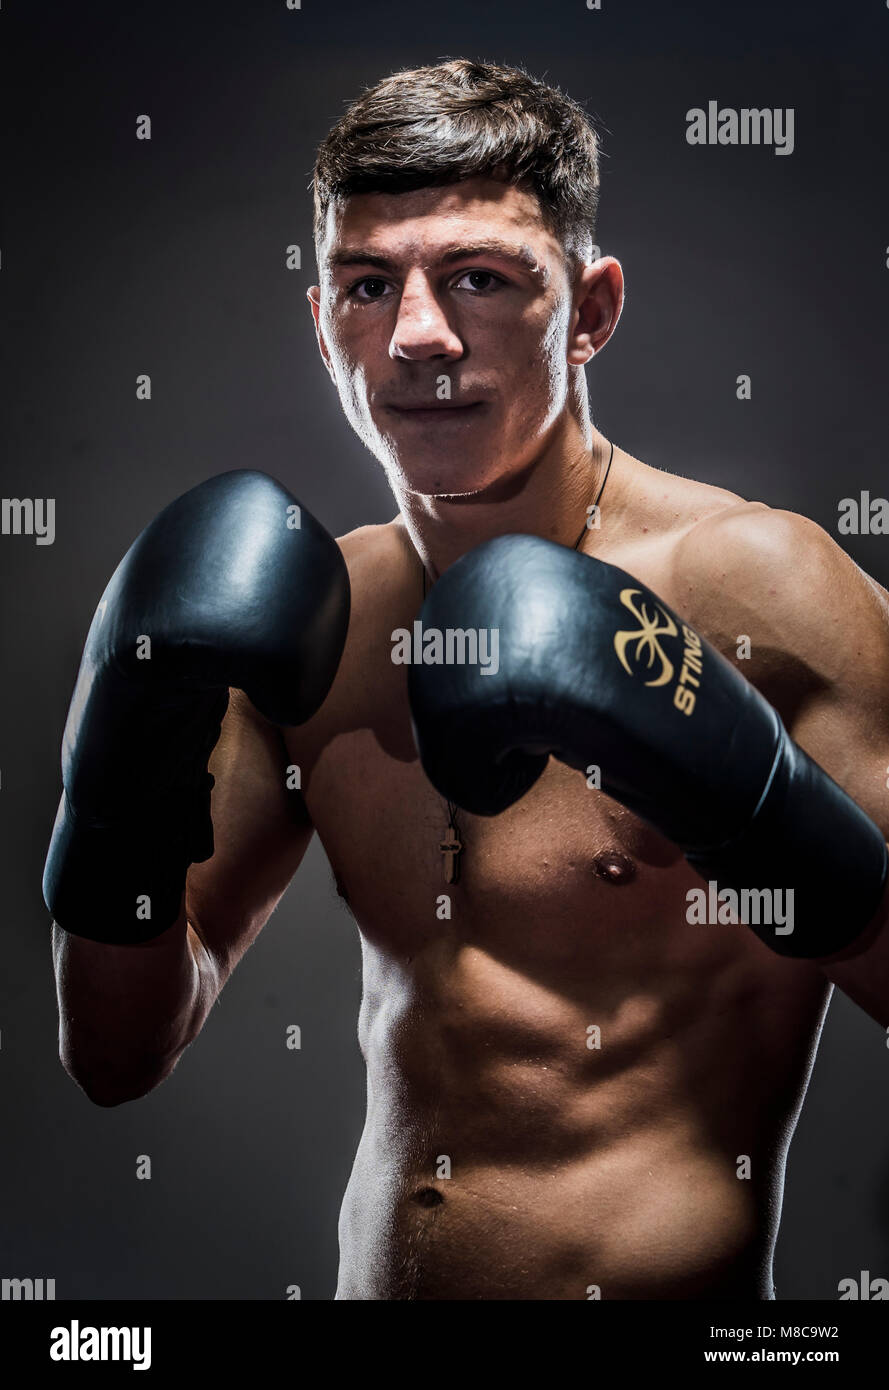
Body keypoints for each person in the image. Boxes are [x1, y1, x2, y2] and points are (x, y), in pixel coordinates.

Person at [46, 58, 889, 1300]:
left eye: (479, 279)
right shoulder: (303, 619)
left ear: (590, 309)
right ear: (321, 318)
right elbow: (118, 1051)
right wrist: (112, 778)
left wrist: (754, 801)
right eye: (367, 285)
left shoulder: (756, 586)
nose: (420, 336)